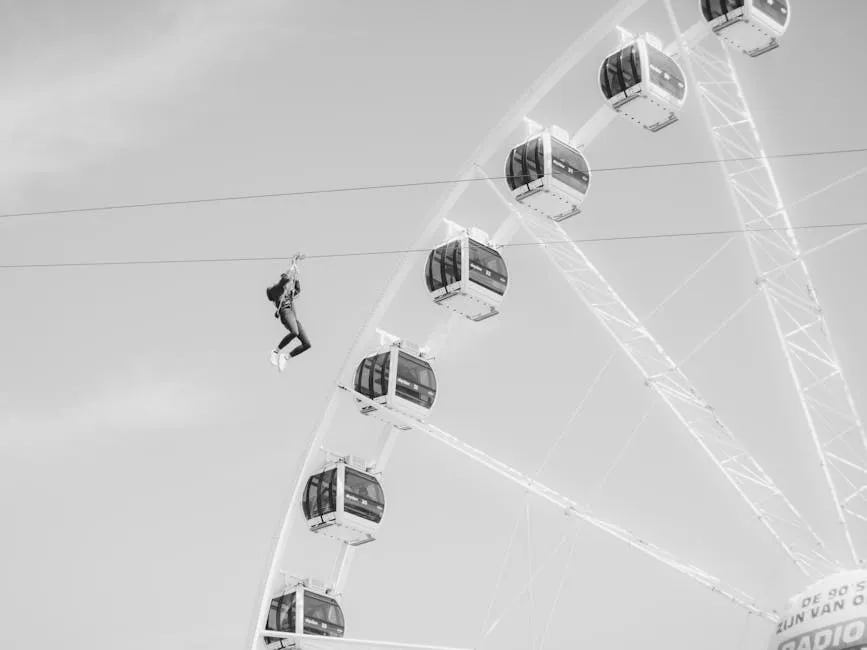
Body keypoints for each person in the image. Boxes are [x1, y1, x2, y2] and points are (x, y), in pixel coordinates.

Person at [268, 255, 311, 372]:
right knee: (294, 332)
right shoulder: (275, 291)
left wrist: (296, 277)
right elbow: (285, 280)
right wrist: (293, 264)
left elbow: (297, 290)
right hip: (285, 312)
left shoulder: (288, 293)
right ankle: (275, 351)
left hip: (293, 317)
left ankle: (286, 357)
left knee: (307, 344)